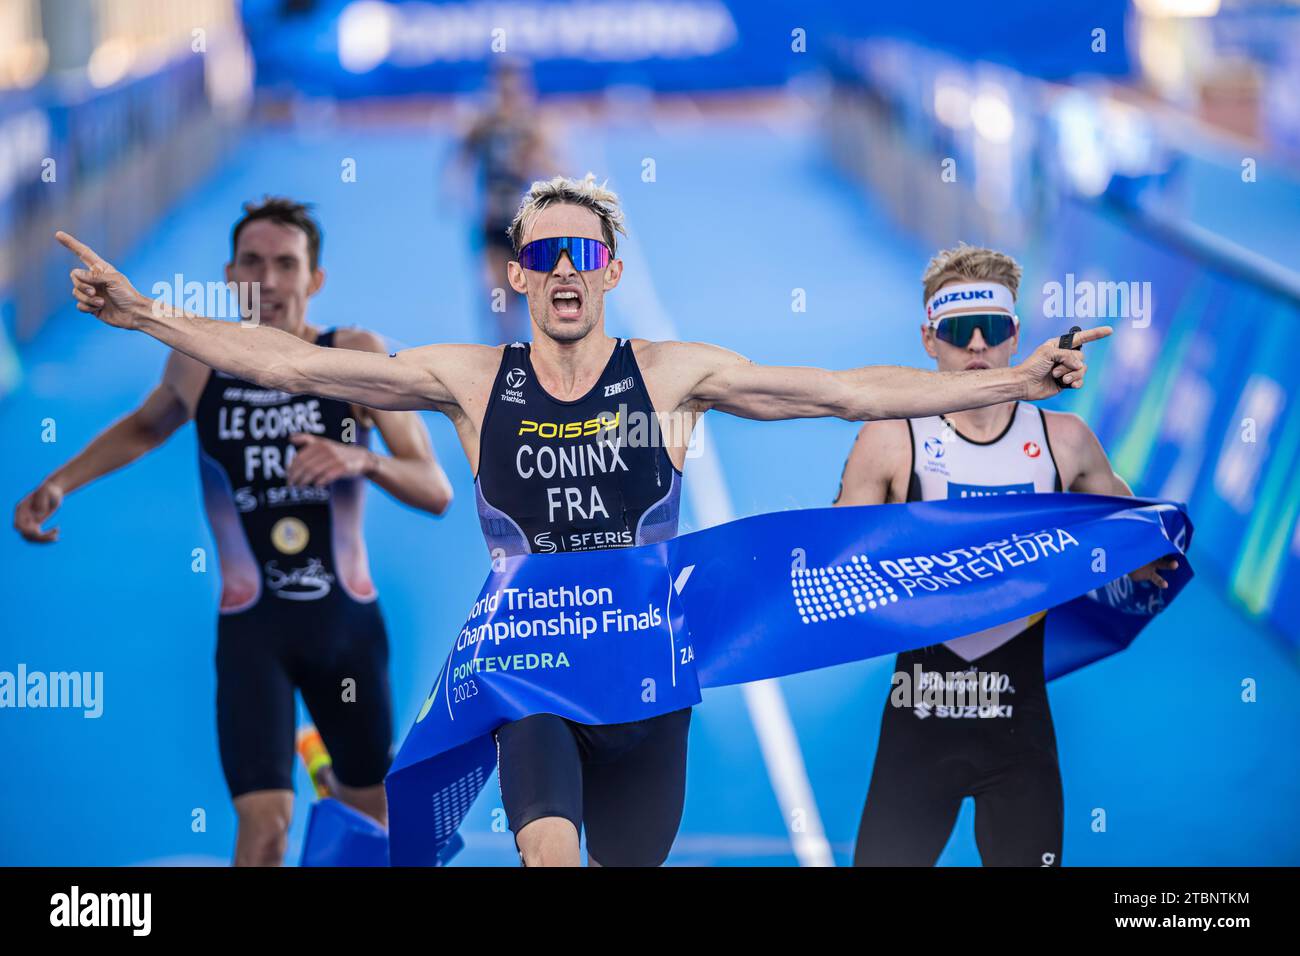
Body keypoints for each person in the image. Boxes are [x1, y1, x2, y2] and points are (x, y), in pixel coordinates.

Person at [56, 175, 1107, 867]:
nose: (563, 274)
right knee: (548, 852)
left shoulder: (671, 374)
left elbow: (839, 392)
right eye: (543, 257)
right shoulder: (470, 380)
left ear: (607, 270)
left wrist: (1017, 376)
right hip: (532, 676)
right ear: (518, 274)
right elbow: (294, 360)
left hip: (653, 686)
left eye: (581, 256)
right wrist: (149, 312)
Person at [17, 197, 453, 866]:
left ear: (316, 281)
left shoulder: (358, 356)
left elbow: (436, 489)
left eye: (287, 264)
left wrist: (361, 458)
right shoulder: (200, 361)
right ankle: (311, 780)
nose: (269, 280)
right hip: (254, 631)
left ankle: (333, 781)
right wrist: (59, 483)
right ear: (229, 274)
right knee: (265, 827)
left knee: (374, 822)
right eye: (253, 262)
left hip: (346, 630)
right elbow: (147, 424)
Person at [833, 243, 1177, 867]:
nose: (975, 348)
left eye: (990, 330)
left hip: (1020, 737)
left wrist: (1158, 549)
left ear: (1014, 336)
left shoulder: (1064, 442)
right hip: (917, 731)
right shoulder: (890, 441)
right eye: (957, 332)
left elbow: (1143, 546)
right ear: (928, 339)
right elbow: (829, 570)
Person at [452, 60, 554, 343]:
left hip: (524, 223)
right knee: (494, 290)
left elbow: (553, 165)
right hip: (492, 220)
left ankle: (527, 346)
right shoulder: (483, 122)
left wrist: (532, 165)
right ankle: (504, 347)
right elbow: (461, 156)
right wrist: (456, 188)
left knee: (529, 291)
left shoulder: (532, 124)